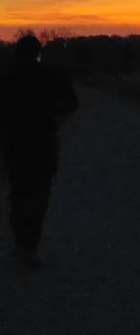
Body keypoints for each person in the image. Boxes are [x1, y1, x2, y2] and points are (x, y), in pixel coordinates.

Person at [0, 35, 79, 268]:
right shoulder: (52, 74)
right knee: (39, 195)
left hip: (13, 142)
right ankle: (29, 247)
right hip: (43, 142)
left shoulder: (5, 75)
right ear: (38, 52)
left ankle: (20, 243)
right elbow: (71, 105)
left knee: (17, 192)